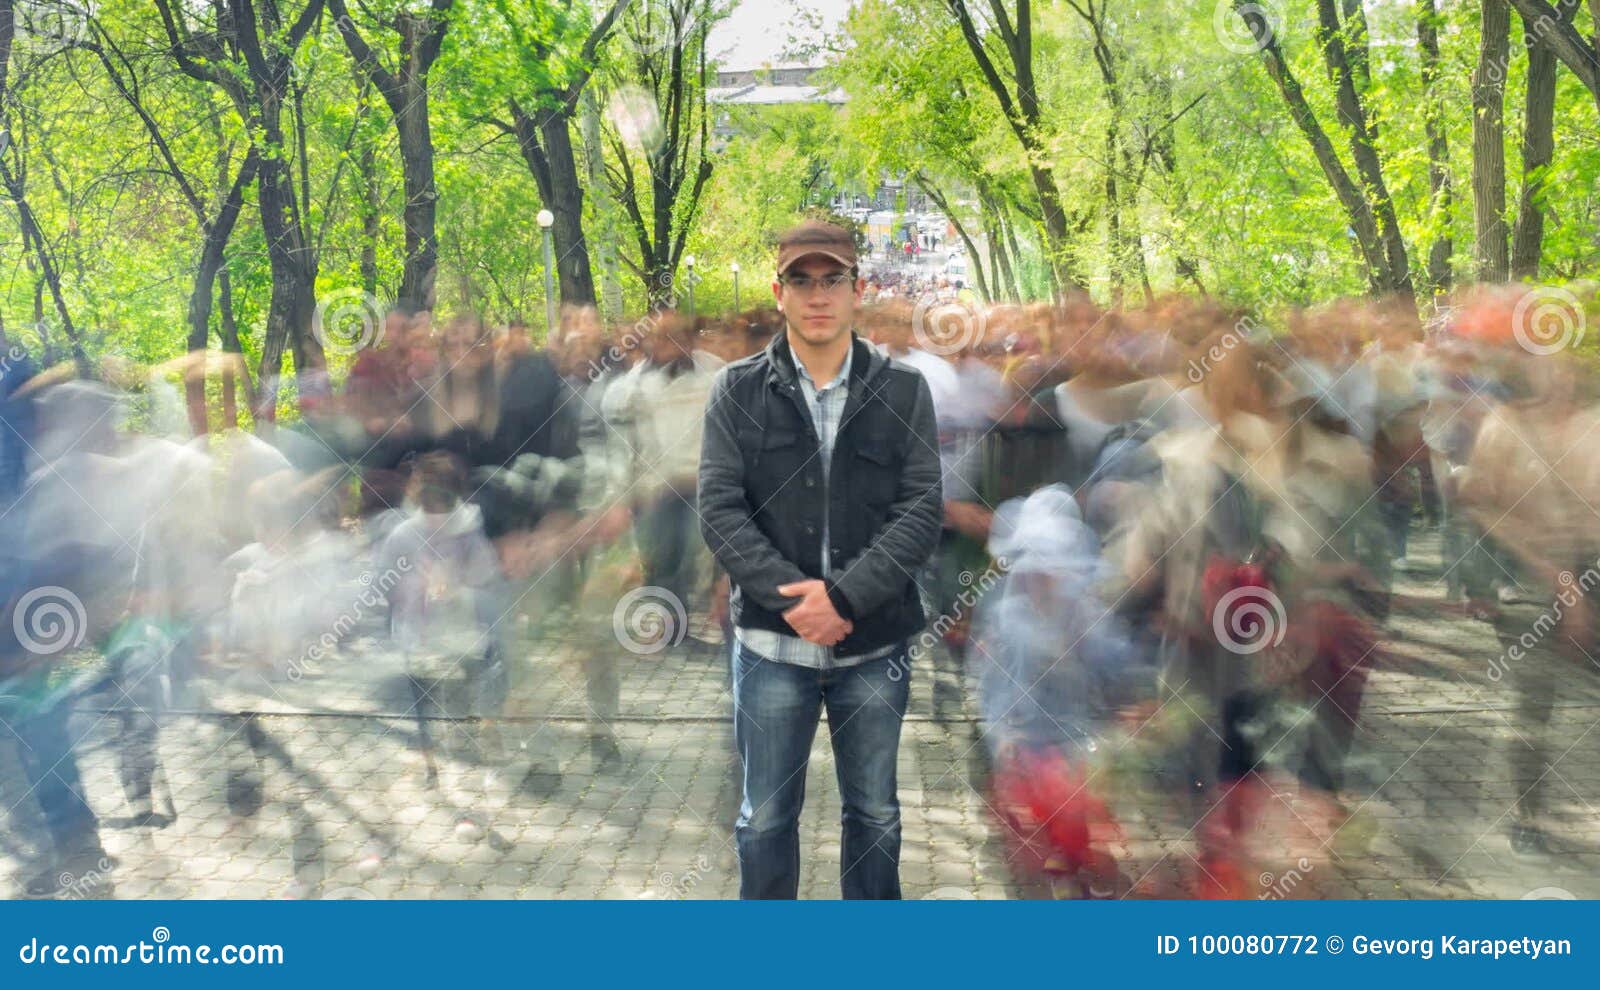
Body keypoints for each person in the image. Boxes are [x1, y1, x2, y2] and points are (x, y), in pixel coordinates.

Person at [698, 219, 943, 899]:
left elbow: (920, 509)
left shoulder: (904, 390)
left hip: (874, 646)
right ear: (778, 292)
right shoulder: (737, 391)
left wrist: (844, 600)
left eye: (832, 279)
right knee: (766, 819)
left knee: (875, 813)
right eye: (801, 281)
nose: (817, 296)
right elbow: (720, 510)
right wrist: (795, 599)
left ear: (857, 289)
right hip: (773, 647)